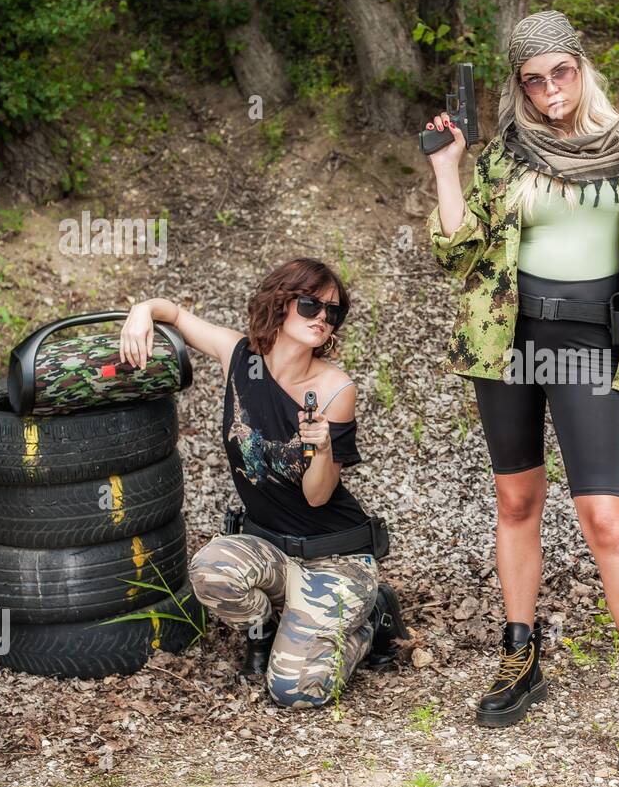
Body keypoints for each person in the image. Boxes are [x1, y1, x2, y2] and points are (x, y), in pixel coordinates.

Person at [423, 10, 619, 770]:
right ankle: (522, 654)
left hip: (584, 342)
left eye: (561, 72)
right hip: (508, 339)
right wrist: (448, 169)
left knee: (603, 513)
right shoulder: (505, 157)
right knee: (517, 499)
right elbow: (459, 252)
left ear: (582, 67)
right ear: (518, 84)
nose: (549, 89)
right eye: (533, 78)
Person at [118, 258, 408, 709]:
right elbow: (172, 313)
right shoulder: (239, 358)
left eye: (333, 312)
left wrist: (323, 449)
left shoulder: (335, 389)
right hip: (269, 548)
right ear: (282, 301)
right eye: (312, 305)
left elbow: (317, 495)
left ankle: (370, 622)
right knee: (211, 571)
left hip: (334, 557)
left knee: (295, 693)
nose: (322, 319)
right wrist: (141, 310)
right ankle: (268, 633)